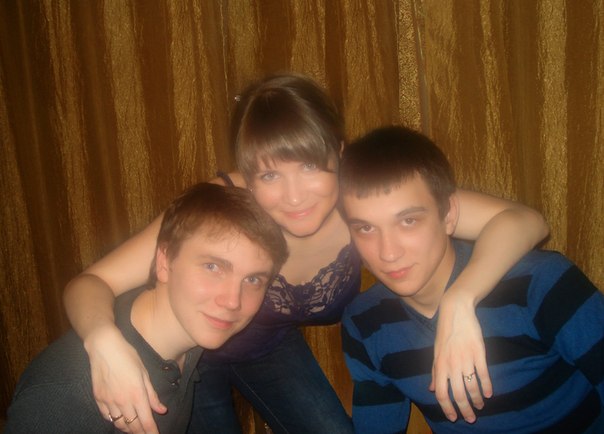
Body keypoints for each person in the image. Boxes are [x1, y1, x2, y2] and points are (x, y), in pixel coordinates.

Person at [62, 73, 549, 434]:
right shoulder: (223, 206)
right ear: (246, 172)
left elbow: (524, 221)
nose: (293, 197)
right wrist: (104, 342)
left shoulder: (364, 199)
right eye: (270, 174)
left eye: (311, 166)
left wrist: (461, 301)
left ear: (339, 152)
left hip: (266, 349)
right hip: (187, 355)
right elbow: (91, 283)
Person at [340, 125, 604, 433]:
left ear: (449, 214)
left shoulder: (540, 283)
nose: (388, 253)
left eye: (409, 221)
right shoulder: (364, 322)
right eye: (366, 228)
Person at [6, 183, 287, 434]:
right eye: (212, 266)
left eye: (253, 280)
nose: (233, 301)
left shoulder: (187, 335)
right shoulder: (65, 397)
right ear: (163, 262)